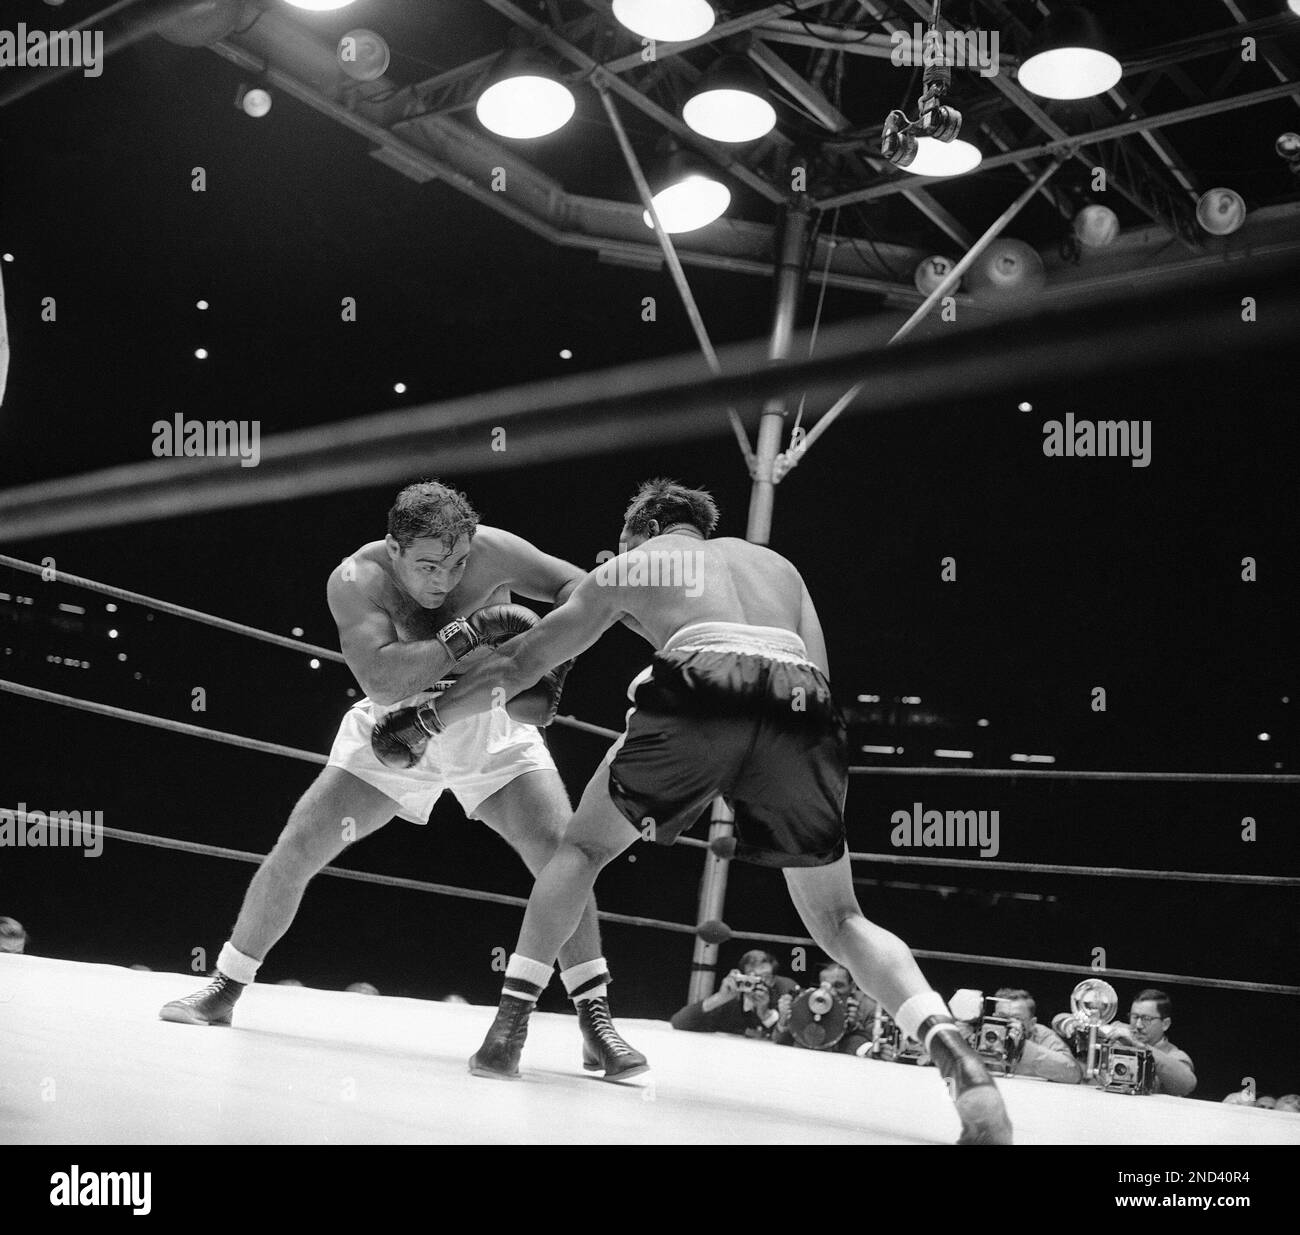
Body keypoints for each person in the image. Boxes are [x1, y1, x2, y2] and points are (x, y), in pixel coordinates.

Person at [419, 478, 1012, 1143]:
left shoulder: (636, 563)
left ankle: (507, 1031)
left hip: (702, 682)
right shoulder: (780, 567)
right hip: (802, 704)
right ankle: (953, 1048)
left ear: (644, 529)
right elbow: (813, 676)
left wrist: (427, 716)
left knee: (581, 849)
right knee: (841, 916)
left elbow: (528, 658)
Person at [159, 480, 645, 1079]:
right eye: (429, 565)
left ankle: (596, 1022)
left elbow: (584, 591)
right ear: (394, 549)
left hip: (485, 719)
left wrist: (548, 653)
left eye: (458, 563)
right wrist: (470, 631)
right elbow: (383, 682)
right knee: (301, 844)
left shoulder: (495, 551)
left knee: (561, 852)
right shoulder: (356, 580)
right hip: (397, 725)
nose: (445, 579)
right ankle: (224, 987)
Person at [671, 949, 798, 1038]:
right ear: (741, 977)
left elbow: (793, 1037)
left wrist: (765, 1015)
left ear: (773, 979)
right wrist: (719, 998)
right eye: (752, 978)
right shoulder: (733, 998)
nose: (759, 983)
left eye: (765, 977)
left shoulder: (785, 993)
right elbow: (679, 1022)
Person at [1102, 988, 1196, 1096]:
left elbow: (1187, 1085)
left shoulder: (1176, 1056)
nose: (1138, 1025)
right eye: (1135, 1017)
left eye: (1146, 1019)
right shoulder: (1119, 1038)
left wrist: (1141, 1047)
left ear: (1165, 1024)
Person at [773, 962, 879, 1055]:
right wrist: (784, 1019)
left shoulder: (869, 1008)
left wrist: (855, 1027)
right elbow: (782, 1041)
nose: (832, 992)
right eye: (826, 986)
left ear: (852, 986)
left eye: (838, 986)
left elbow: (873, 1048)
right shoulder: (810, 1001)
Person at [986, 987, 1081, 1083]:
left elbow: (1073, 1074)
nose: (1009, 1024)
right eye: (1002, 1017)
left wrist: (1023, 1047)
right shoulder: (983, 1033)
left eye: (1017, 1018)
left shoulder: (1044, 1036)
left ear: (1032, 1023)